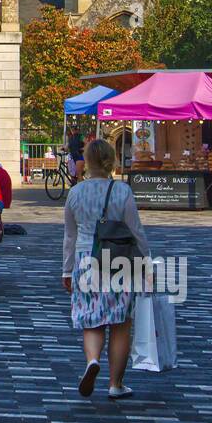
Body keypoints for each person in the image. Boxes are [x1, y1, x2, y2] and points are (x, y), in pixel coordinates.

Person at [62, 138, 150, 400]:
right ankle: (116, 384)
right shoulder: (122, 191)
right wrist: (146, 262)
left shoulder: (75, 193)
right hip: (119, 258)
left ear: (86, 161)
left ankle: (92, 360)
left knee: (92, 318)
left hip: (85, 258)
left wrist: (66, 271)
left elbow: (69, 235)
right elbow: (136, 231)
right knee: (121, 322)